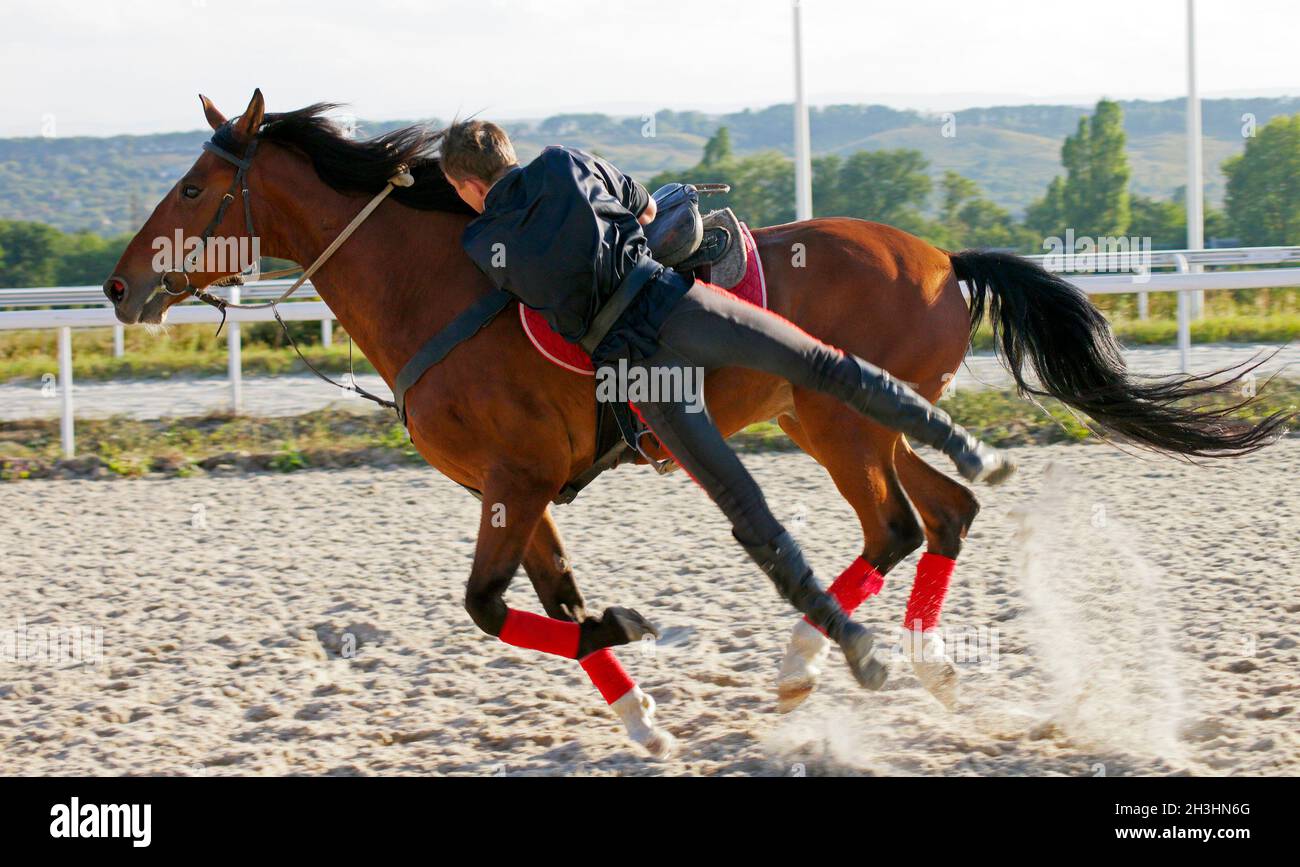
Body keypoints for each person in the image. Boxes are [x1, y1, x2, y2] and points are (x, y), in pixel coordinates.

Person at [438, 119, 1015, 679]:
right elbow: (644, 213)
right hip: (681, 303)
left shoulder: (482, 238)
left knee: (743, 504)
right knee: (821, 364)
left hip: (641, 368)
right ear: (510, 153)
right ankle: (963, 446)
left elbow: (536, 311)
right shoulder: (565, 160)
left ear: (465, 186)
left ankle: (842, 631)